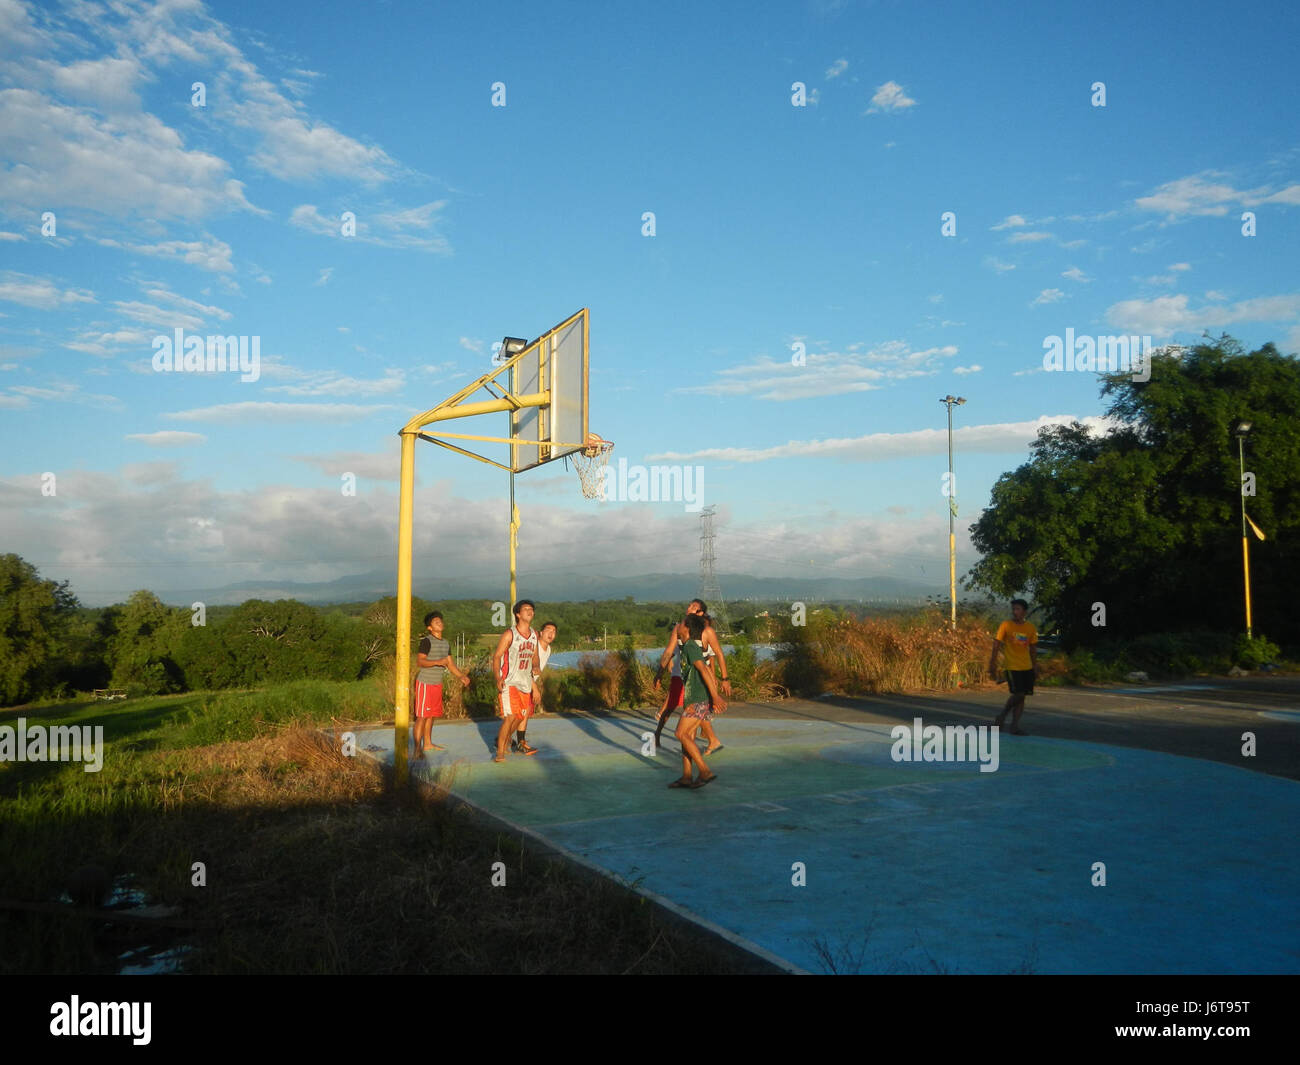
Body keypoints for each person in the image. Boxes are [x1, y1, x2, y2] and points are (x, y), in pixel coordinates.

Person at [655, 599, 728, 753]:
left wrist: (724, 679)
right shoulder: (680, 628)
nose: (689, 607)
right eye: (689, 605)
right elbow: (669, 651)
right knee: (683, 711)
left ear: (700, 613)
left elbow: (716, 655)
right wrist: (659, 673)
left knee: (690, 717)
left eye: (694, 607)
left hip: (700, 678)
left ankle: (699, 759)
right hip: (685, 676)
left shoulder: (707, 631)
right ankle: (692, 755)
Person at [669, 613, 727, 789]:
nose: (677, 625)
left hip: (698, 699)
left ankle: (704, 771)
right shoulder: (687, 646)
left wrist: (714, 696)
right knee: (687, 737)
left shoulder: (691, 647)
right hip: (694, 698)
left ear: (686, 628)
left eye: (681, 623)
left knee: (680, 734)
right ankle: (687, 776)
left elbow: (704, 669)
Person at [413, 611, 470, 757]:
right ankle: (417, 750)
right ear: (429, 627)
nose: (440, 622)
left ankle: (428, 744)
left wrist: (461, 676)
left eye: (440, 621)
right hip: (425, 683)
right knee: (422, 716)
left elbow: (450, 664)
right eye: (435, 621)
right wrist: (437, 662)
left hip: (437, 683)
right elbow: (420, 661)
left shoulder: (445, 643)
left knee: (431, 715)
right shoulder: (427, 641)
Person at [493, 599, 539, 761]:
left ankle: (504, 741)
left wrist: (536, 666)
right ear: (518, 614)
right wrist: (498, 677)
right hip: (510, 681)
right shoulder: (510, 634)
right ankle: (499, 752)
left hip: (525, 684)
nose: (530, 611)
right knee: (510, 717)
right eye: (526, 609)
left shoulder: (534, 635)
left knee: (519, 718)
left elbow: (535, 656)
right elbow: (497, 656)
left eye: (532, 609)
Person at [989, 598, 1037, 735]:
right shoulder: (1006, 625)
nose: (1015, 612)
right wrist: (993, 662)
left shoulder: (1030, 628)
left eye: (1018, 609)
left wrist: (1035, 666)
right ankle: (1002, 715)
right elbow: (997, 643)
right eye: (1013, 609)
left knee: (1022, 697)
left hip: (1026, 666)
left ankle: (1014, 726)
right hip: (1011, 666)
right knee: (1019, 693)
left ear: (1024, 612)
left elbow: (1033, 648)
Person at [515, 620, 557, 754]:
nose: (551, 633)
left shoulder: (548, 649)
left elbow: (535, 672)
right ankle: (517, 743)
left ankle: (508, 740)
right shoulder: (534, 646)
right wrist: (535, 688)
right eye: (548, 630)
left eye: (554, 631)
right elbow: (525, 670)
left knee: (523, 713)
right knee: (521, 714)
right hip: (519, 681)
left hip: (527, 682)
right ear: (540, 633)